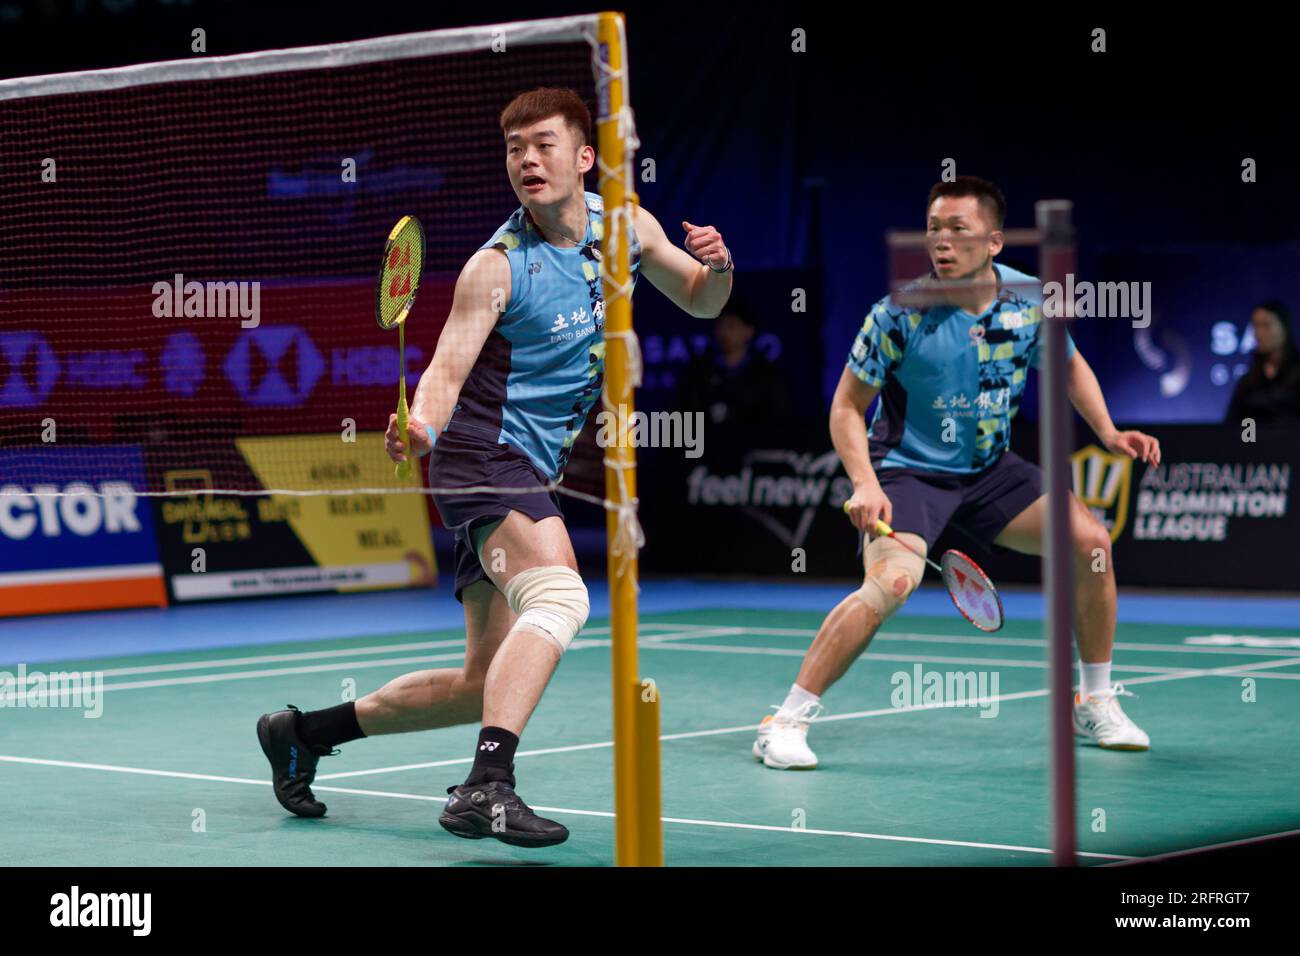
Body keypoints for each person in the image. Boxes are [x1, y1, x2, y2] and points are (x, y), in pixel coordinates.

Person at [257, 87, 732, 846]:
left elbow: (704, 302)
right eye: (514, 148)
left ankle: (303, 732)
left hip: (525, 467)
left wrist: (722, 265)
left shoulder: (626, 229)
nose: (526, 161)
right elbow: (444, 374)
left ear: (583, 158)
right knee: (561, 597)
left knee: (482, 680)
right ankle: (487, 785)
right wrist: (418, 427)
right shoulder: (496, 265)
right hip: (481, 456)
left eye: (543, 144)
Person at [753, 175, 1162, 770]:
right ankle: (785, 720)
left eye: (958, 231)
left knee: (1092, 543)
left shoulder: (1030, 299)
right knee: (892, 584)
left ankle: (1094, 699)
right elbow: (846, 406)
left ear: (993, 241)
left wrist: (1107, 431)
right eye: (933, 230)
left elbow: (1070, 367)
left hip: (990, 470)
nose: (941, 243)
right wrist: (865, 482)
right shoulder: (898, 313)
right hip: (909, 472)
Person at [676, 298, 790, 429]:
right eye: (720, 325)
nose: (723, 332)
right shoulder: (698, 371)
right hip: (706, 445)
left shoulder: (766, 374)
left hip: (753, 445)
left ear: (748, 331)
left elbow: (777, 419)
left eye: (731, 326)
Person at [1225, 301, 1300, 424]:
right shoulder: (1248, 381)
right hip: (1254, 442)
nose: (1258, 333)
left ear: (1284, 328)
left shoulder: (1296, 375)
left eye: (1266, 325)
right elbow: (1234, 427)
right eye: (1255, 326)